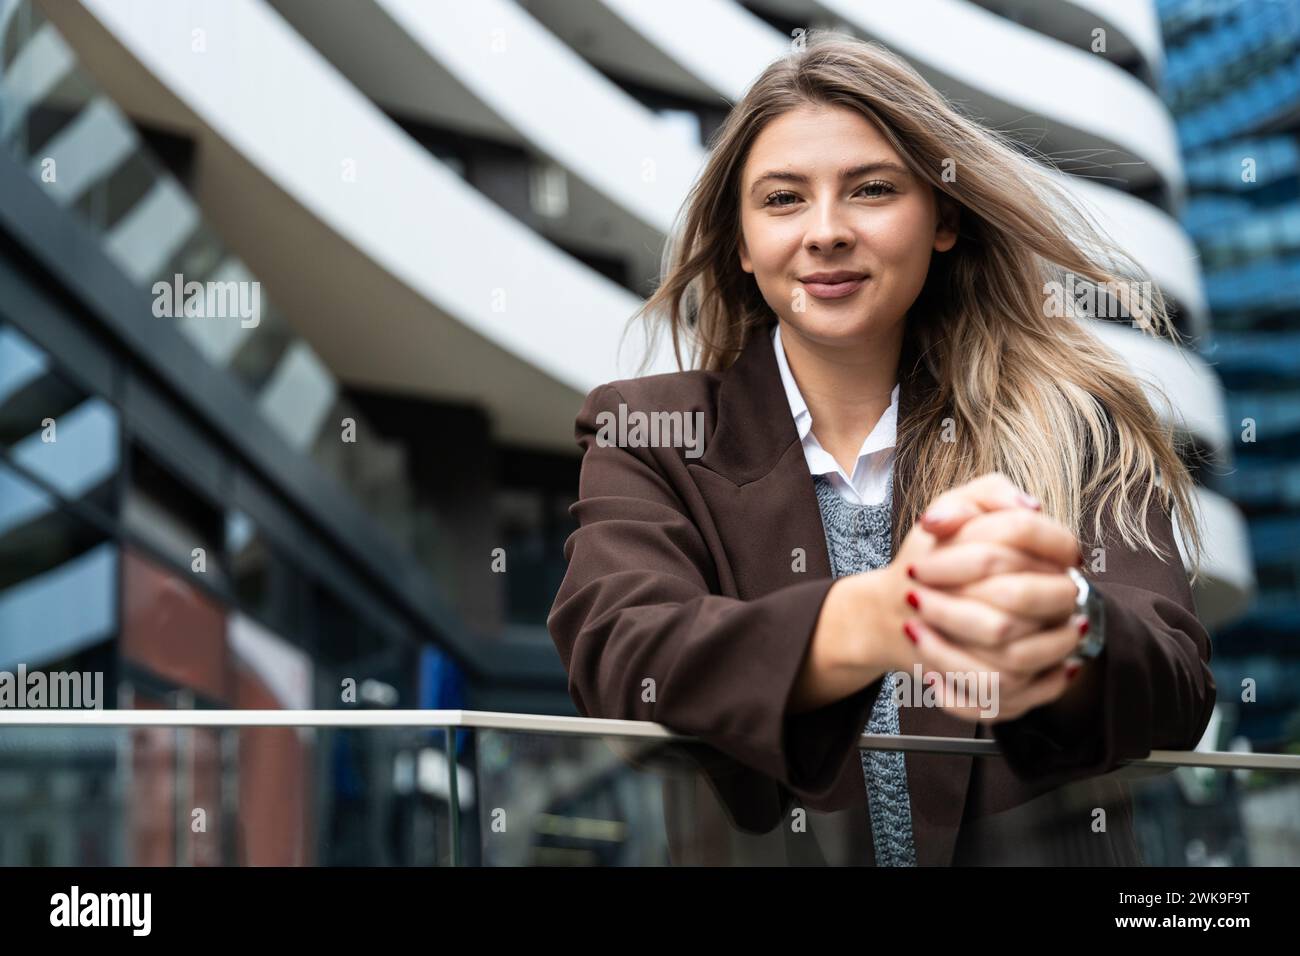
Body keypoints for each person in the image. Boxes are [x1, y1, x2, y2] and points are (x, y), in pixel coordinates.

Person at [547, 31, 1215, 866]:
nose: (825, 232)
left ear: (941, 219)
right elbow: (622, 654)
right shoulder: (646, 435)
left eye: (870, 190)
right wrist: (880, 615)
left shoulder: (1075, 425)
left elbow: (1177, 687)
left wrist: (1067, 623)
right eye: (783, 199)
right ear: (743, 244)